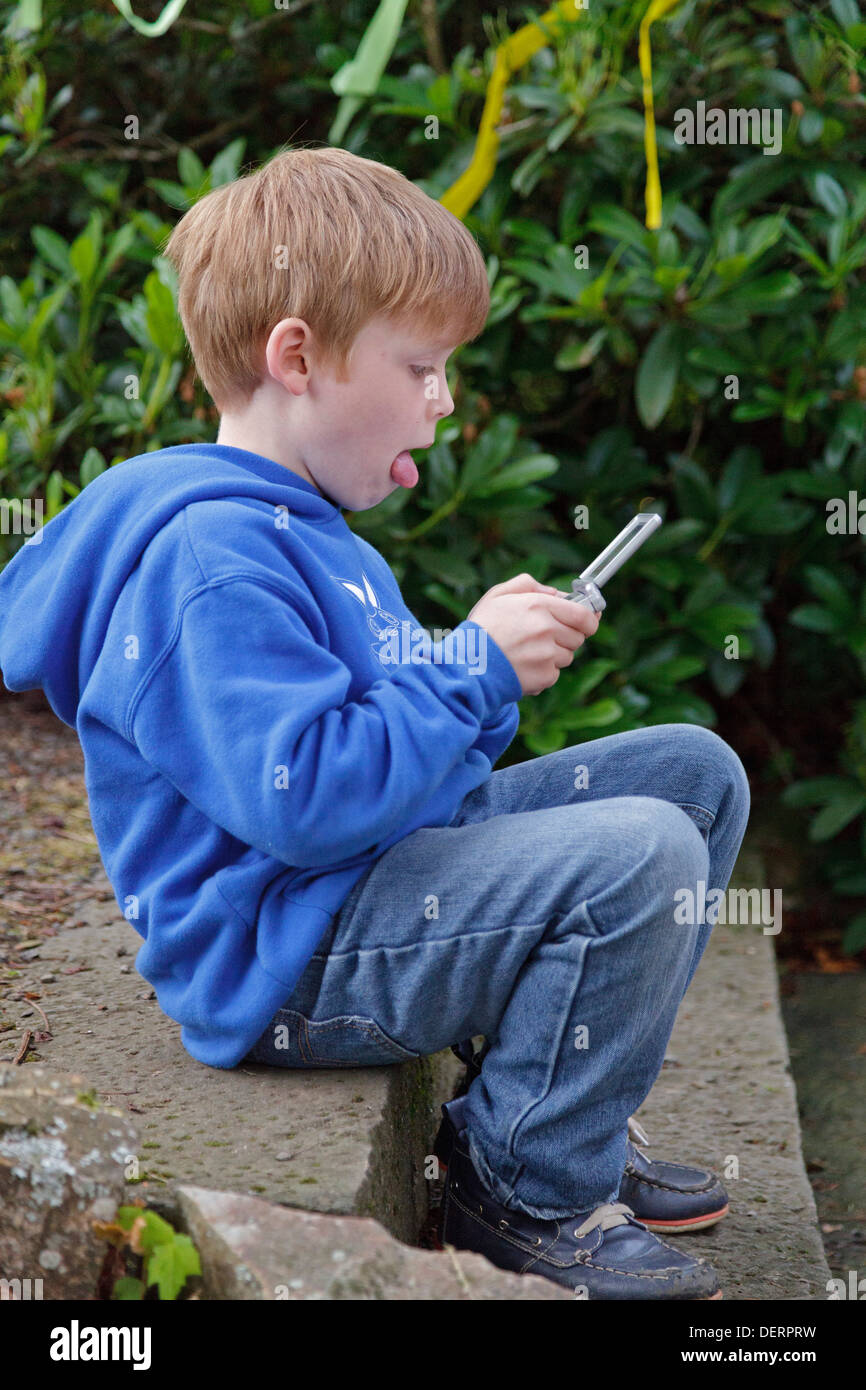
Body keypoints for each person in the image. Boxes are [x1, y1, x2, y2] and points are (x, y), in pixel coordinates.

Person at [0, 145, 749, 1300]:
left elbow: (402, 757)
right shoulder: (210, 561)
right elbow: (307, 798)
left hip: (374, 879)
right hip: (286, 953)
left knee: (695, 779)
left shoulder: (310, 529)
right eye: (422, 366)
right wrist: (470, 674)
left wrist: (484, 675)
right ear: (296, 357)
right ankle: (523, 1188)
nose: (444, 399)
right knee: (640, 853)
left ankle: (564, 1105)